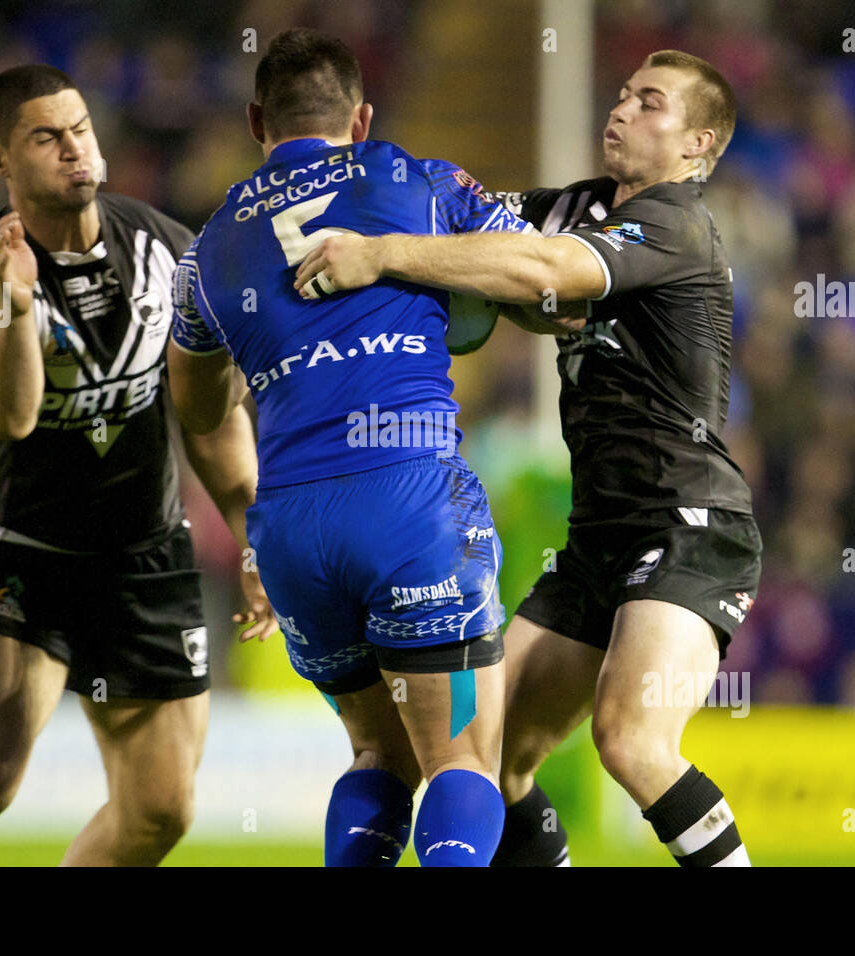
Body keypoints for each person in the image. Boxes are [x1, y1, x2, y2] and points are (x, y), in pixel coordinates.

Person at [295, 50, 760, 868]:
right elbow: (459, 213)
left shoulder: (676, 223)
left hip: (690, 527)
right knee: (490, 755)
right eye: (622, 95)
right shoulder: (573, 205)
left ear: (698, 144)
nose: (621, 110)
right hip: (597, 539)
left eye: (650, 103)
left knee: (631, 739)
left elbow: (551, 268)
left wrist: (380, 255)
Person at [0, 64, 274, 867]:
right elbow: (8, 412)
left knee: (161, 809)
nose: (73, 149)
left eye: (81, 128)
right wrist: (20, 309)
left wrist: (255, 532)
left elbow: (210, 412)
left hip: (144, 559)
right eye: (46, 137)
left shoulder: (168, 251)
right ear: (1, 161)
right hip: (21, 559)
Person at [169, 29, 533, 867]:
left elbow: (195, 404)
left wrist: (251, 508)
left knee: (380, 757)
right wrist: (424, 270)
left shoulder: (207, 252)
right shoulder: (423, 179)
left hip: (293, 526)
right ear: (361, 118)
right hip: (409, 499)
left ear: (257, 120)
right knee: (461, 759)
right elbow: (542, 270)